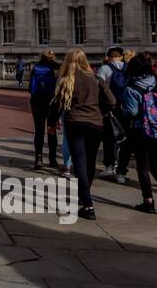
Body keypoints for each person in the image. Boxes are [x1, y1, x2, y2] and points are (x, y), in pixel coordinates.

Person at [51, 48, 116, 220]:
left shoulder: (67, 80)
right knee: (90, 162)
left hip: (75, 123)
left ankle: (88, 205)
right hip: (96, 124)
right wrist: (99, 109)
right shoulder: (96, 79)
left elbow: (56, 105)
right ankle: (84, 195)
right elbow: (112, 100)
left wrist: (51, 123)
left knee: (79, 162)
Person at [115, 53, 157, 214]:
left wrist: (122, 110)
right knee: (154, 163)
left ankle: (148, 201)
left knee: (142, 167)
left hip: (141, 130)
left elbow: (132, 112)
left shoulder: (131, 89)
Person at [96, 47, 127, 181]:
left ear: (108, 57)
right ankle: (121, 171)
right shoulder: (129, 67)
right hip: (127, 107)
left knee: (109, 137)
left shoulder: (105, 68)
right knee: (125, 138)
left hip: (110, 108)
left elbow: (99, 87)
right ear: (121, 56)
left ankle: (110, 166)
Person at [28, 50, 59, 170]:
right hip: (52, 103)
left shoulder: (36, 68)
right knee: (52, 130)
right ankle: (52, 159)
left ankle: (38, 158)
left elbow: (31, 88)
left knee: (39, 131)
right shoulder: (57, 69)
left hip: (37, 103)